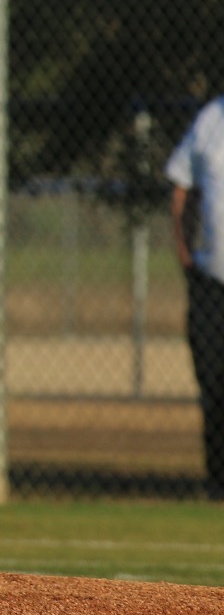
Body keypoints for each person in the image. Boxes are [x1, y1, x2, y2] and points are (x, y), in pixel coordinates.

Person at [166, 98, 224, 499]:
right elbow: (181, 188)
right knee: (214, 383)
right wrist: (184, 254)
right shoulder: (210, 119)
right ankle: (218, 483)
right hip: (211, 281)